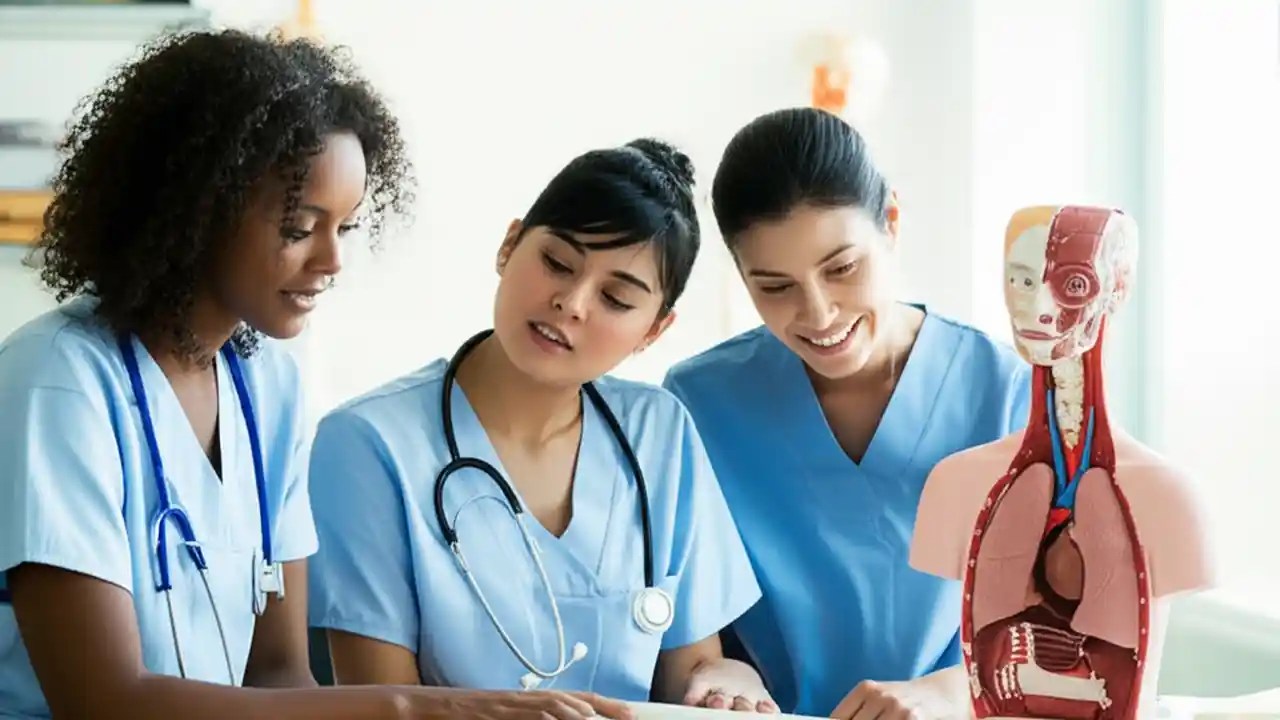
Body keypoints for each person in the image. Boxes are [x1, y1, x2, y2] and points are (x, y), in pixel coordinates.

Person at [0, 29, 633, 720]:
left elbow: (279, 675)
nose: (332, 261)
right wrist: (422, 709)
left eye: (346, 228)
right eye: (301, 226)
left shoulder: (267, 385)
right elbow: (104, 701)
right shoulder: (59, 380)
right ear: (196, 210)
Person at [306, 138, 775, 715]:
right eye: (557, 263)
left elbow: (691, 677)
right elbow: (377, 705)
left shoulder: (659, 432)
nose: (572, 303)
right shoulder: (367, 444)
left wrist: (727, 684)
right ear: (509, 246)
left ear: (654, 331)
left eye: (615, 298)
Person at [661, 107, 1034, 719]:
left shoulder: (1008, 395)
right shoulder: (698, 402)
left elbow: (1061, 631)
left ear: (891, 223)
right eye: (774, 286)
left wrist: (949, 693)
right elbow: (687, 616)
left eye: (841, 269)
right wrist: (719, 673)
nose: (818, 313)